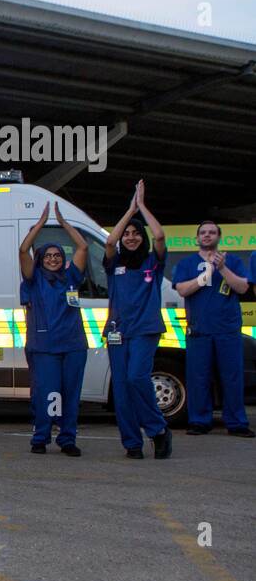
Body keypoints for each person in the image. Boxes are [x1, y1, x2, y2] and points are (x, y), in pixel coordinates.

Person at [103, 180, 171, 459]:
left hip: (145, 329)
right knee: (121, 388)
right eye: (127, 234)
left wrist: (141, 207)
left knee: (136, 378)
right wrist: (128, 212)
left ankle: (158, 430)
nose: (130, 237)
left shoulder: (152, 263)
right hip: (118, 332)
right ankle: (132, 443)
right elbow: (109, 241)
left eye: (135, 233)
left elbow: (160, 237)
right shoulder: (114, 264)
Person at [19, 202, 89, 456]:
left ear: (63, 259)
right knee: (46, 393)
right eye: (48, 256)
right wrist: (41, 224)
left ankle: (67, 438)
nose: (52, 259)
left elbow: (82, 247)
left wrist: (63, 224)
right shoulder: (33, 278)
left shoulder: (71, 277)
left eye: (57, 256)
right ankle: (41, 436)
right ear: (41, 259)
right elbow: (24, 249)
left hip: (73, 345)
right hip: (44, 347)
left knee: (70, 394)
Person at [171, 220, 252, 438]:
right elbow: (182, 290)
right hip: (199, 331)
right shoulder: (187, 263)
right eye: (203, 233)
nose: (207, 235)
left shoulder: (232, 261)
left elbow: (243, 287)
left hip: (228, 331)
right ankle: (199, 421)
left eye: (212, 232)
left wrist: (222, 268)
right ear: (197, 238)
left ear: (219, 237)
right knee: (198, 378)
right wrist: (204, 276)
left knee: (232, 378)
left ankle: (236, 423)